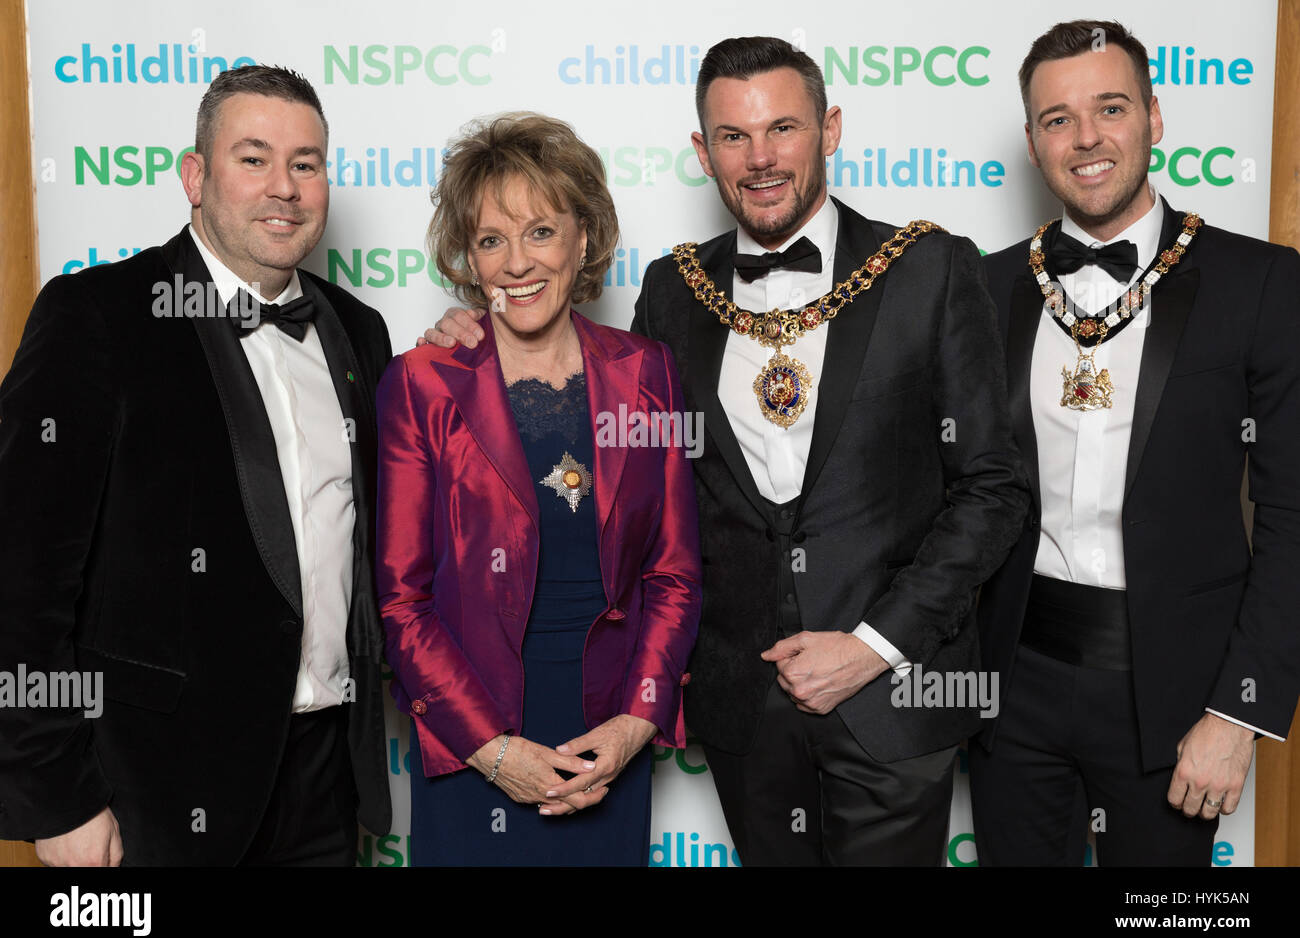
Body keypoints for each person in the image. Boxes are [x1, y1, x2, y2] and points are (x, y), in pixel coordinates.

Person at [428, 38, 1028, 866]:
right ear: (703, 152)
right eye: (735, 137)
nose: (762, 158)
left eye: (783, 127)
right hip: (740, 703)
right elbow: (635, 493)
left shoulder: (929, 268)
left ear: (831, 129)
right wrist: (474, 338)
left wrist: (872, 646)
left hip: (894, 692)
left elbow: (991, 490)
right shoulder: (675, 292)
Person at [0, 65, 393, 865]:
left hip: (324, 783)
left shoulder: (359, 329)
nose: (284, 186)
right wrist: (56, 802)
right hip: (147, 790)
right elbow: (19, 575)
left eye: (306, 164)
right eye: (253, 158)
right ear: (195, 176)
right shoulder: (96, 317)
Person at [972, 20, 1300, 866]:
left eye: (1110, 108)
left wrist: (1239, 712)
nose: (1086, 139)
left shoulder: (1260, 285)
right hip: (1012, 687)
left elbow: (1294, 514)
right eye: (1057, 118)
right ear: (1033, 139)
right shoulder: (985, 284)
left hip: (1178, 693)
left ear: (1154, 117)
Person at [377, 112, 701, 866]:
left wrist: (634, 727)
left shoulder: (647, 372)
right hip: (473, 738)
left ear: (583, 238)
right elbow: (402, 599)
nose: (517, 263)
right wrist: (492, 751)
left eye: (540, 233)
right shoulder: (423, 382)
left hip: (606, 743)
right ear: (469, 256)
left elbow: (674, 573)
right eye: (491, 239)